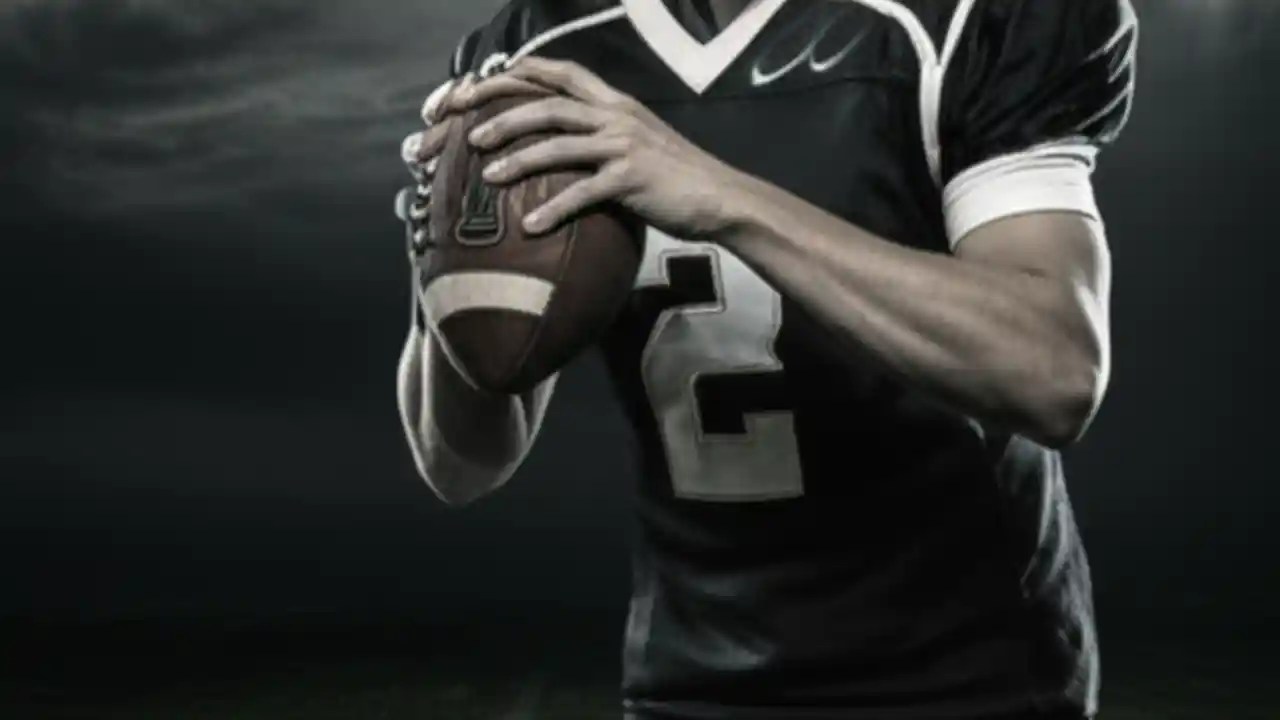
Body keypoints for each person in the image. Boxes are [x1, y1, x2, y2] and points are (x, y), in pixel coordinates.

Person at [394, 1, 1138, 718]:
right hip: (691, 682)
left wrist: (719, 196)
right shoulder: (536, 50)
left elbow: (1055, 372)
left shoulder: (961, 20)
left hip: (966, 680)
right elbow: (460, 465)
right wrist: (444, 264)